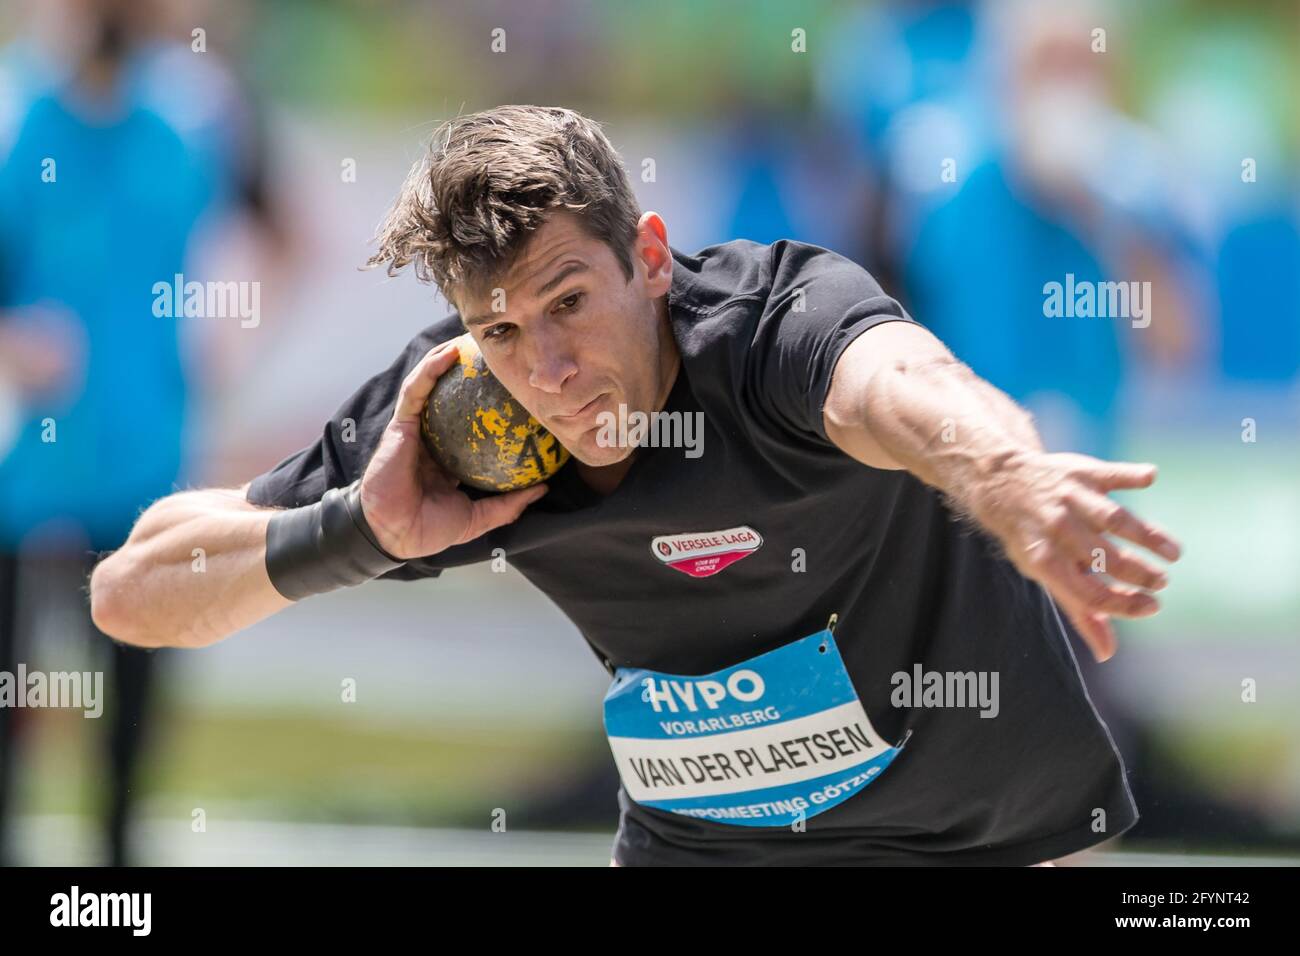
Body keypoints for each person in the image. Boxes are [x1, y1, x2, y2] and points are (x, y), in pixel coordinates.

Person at [89, 105, 1182, 866]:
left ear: (649, 256)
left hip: (972, 836)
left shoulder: (771, 324)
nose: (549, 372)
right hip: (707, 848)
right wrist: (358, 529)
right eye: (502, 329)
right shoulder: (465, 422)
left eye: (570, 301)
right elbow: (131, 593)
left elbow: (896, 383)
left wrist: (1008, 478)